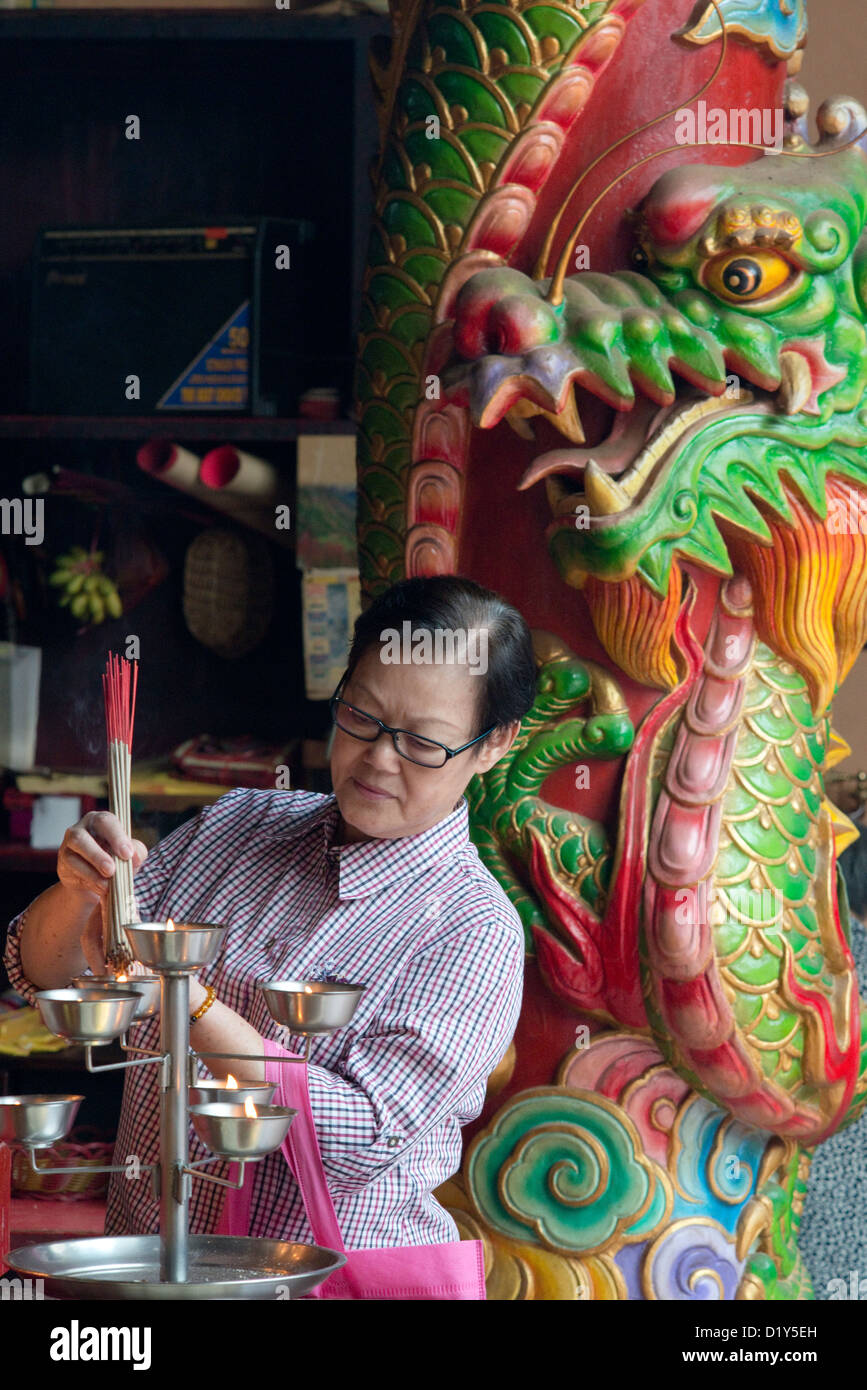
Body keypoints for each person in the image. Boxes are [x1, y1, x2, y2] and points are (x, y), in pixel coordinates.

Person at [3, 575, 535, 1290]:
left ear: (493, 744)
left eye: (421, 743)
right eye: (361, 717)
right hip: (150, 1274)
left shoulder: (474, 929)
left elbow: (358, 1138)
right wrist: (77, 895)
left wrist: (191, 1004)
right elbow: (47, 976)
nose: (379, 758)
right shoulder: (237, 825)